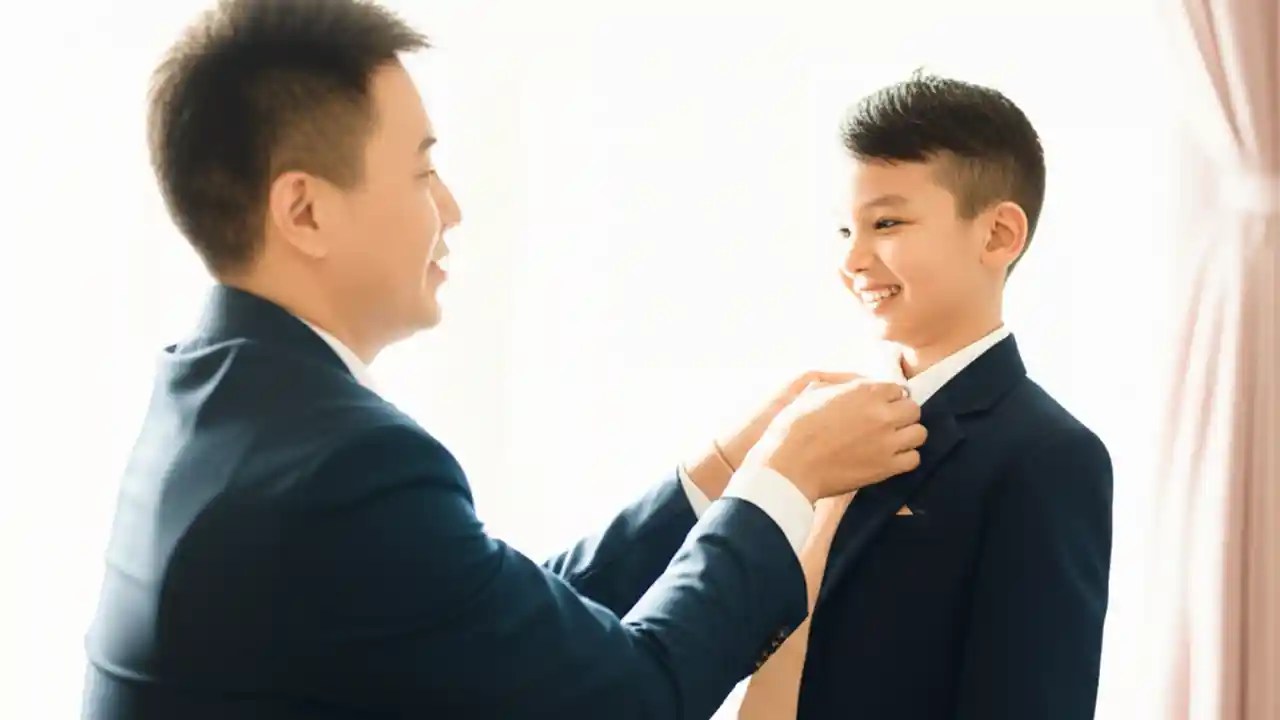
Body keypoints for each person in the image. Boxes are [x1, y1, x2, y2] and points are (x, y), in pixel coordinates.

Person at [80, 2, 927, 718]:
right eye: (422, 171)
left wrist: (717, 473)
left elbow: (499, 624)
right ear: (304, 211)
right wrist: (782, 482)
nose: (451, 208)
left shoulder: (216, 395)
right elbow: (627, 700)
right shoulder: (341, 467)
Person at [736, 73, 1114, 720]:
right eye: (842, 231)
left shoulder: (1048, 455)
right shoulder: (819, 420)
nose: (853, 259)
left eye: (886, 222)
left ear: (997, 235)